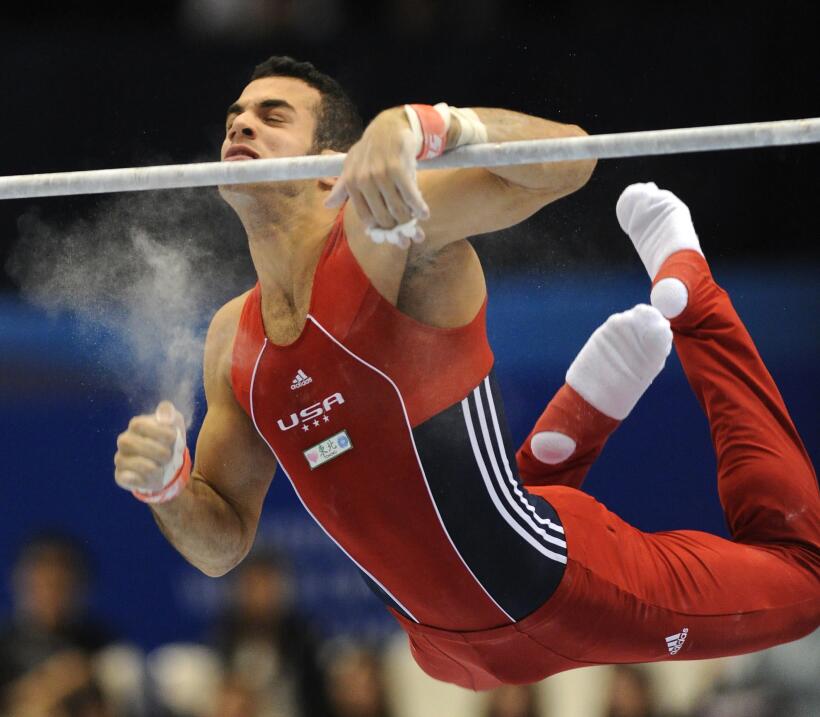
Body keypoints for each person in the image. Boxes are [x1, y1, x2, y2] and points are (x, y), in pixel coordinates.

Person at [112, 56, 819, 689]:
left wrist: (432, 126)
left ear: (332, 163)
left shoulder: (389, 229)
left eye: (272, 117)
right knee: (489, 507)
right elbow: (222, 545)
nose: (241, 126)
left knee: (805, 576)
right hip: (440, 647)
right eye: (235, 116)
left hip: (559, 587)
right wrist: (170, 490)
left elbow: (574, 159)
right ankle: (575, 423)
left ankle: (694, 300)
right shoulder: (231, 336)